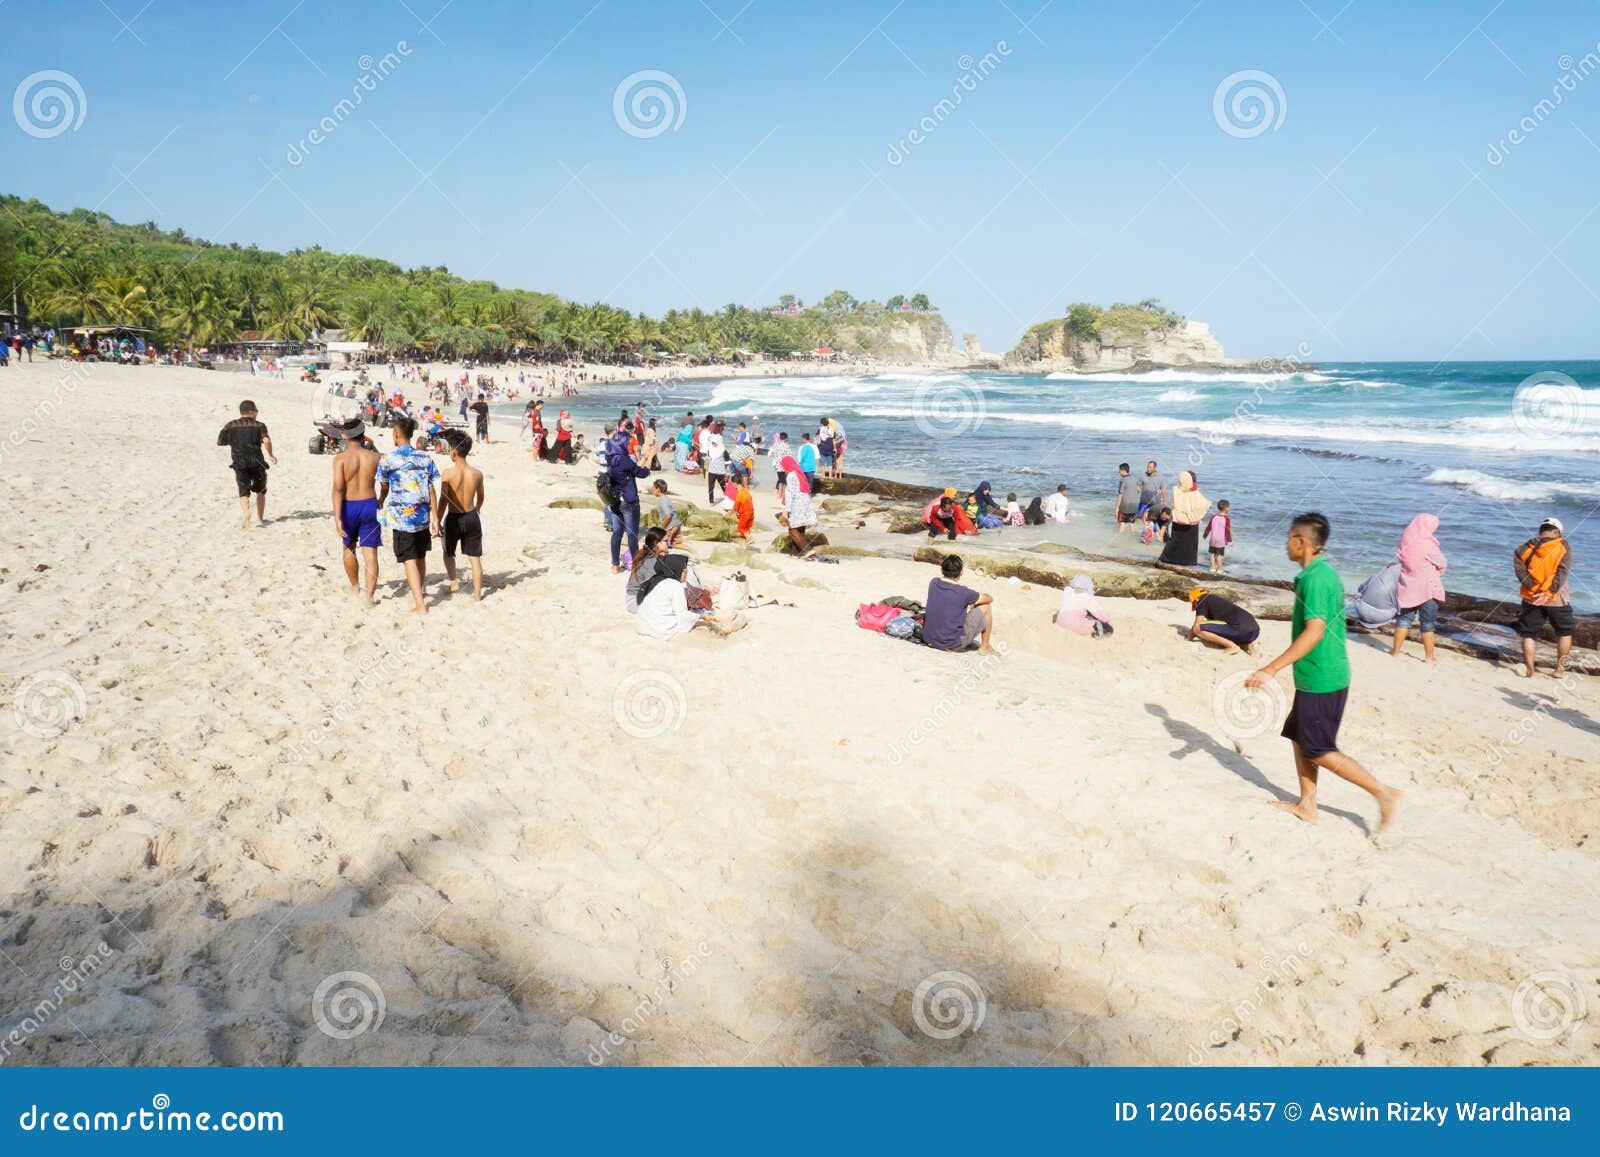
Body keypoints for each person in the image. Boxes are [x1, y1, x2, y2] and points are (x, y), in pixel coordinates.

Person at [1246, 513, 1401, 834]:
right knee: (1300, 738)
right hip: (1319, 674)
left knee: (1320, 749)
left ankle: (1384, 794)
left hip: (1322, 677)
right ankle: (1307, 805)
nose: (1285, 543)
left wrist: (1270, 668)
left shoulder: (1316, 579)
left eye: (1289, 537)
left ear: (1301, 543)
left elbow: (1314, 631)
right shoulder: (1323, 573)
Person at [376, 415, 442, 615]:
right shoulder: (425, 458)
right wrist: (435, 517)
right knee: (420, 555)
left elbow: (384, 485)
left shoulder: (388, 459)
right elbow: (431, 488)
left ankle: (420, 604)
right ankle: (420, 591)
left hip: (402, 517)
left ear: (396, 436)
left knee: (409, 558)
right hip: (422, 514)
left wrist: (381, 500)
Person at [1513, 517, 1574, 678]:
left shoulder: (1524, 548)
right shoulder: (1563, 546)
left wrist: (1534, 589)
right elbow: (1562, 573)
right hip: (1557, 597)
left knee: (1528, 634)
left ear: (1541, 531)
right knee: (1564, 632)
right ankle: (1560, 669)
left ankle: (1529, 668)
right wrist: (1548, 593)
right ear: (1556, 532)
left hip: (1531, 596)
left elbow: (1521, 573)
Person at [330, 418, 381, 606]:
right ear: (363, 434)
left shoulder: (340, 459)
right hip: (369, 504)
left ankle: (354, 586)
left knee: (349, 547)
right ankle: (369, 597)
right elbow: (385, 483)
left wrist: (337, 518)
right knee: (371, 553)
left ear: (344, 435)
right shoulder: (375, 457)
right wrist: (381, 500)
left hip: (349, 505)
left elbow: (337, 489)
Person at [1392, 513, 1446, 664]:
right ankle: (1429, 657)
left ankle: (1395, 652)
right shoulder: (1428, 545)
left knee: (1403, 621)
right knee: (1428, 624)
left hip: (1407, 588)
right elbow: (1442, 562)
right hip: (1428, 591)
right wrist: (1437, 572)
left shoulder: (1405, 542)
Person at [439, 430, 486, 600]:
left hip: (453, 518)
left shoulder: (448, 473)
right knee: (474, 558)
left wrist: (437, 519)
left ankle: (453, 583)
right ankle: (478, 594)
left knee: (448, 552)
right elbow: (481, 497)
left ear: (453, 451)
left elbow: (443, 500)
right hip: (472, 516)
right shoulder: (477, 473)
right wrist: (478, 507)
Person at [216, 400, 278, 530]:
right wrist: (271, 455)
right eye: (256, 411)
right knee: (261, 490)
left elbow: (220, 442)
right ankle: (260, 519)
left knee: (243, 489)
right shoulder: (259, 425)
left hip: (239, 462)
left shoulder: (230, 425)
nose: (257, 413)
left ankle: (246, 512)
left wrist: (235, 442)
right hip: (257, 462)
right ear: (251, 411)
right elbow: (266, 440)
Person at [923, 554, 995, 654]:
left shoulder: (934, 582)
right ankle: (985, 646)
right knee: (986, 607)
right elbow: (989, 599)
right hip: (951, 644)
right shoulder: (963, 592)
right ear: (961, 572)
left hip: (928, 639)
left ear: (941, 570)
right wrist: (976, 602)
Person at [606, 425, 651, 574]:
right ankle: (637, 566)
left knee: (617, 532)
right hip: (628, 501)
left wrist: (643, 459)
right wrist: (650, 456)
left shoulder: (610, 458)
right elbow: (642, 473)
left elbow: (633, 470)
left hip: (615, 501)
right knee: (632, 534)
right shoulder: (624, 459)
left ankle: (615, 565)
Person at [1185, 588, 1259, 654]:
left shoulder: (1202, 600)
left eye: (1194, 605)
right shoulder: (1216, 601)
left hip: (1241, 630)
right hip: (1254, 631)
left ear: (1196, 600)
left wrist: (1188, 638)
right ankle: (1249, 644)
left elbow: (1197, 625)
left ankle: (1232, 646)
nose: (1195, 608)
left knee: (1197, 628)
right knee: (1225, 629)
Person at [1159, 471, 1209, 566]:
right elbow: (1200, 506)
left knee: (1175, 540)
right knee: (1189, 543)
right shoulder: (1195, 491)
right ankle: (1188, 561)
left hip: (1179, 520)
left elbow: (1175, 504)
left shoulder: (1177, 490)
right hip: (1191, 522)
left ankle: (1168, 558)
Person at [778, 452, 818, 554]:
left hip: (797, 504)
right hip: (805, 502)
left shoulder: (791, 475)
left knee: (792, 530)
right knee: (800, 529)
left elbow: (790, 493)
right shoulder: (800, 473)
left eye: (783, 465)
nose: (783, 468)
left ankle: (809, 550)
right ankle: (795, 554)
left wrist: (786, 510)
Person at [1204, 500, 1233, 574]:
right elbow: (1227, 531)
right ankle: (1220, 569)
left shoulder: (1214, 517)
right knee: (1219, 555)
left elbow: (1208, 527)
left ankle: (1212, 568)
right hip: (1220, 540)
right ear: (1226, 508)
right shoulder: (1226, 519)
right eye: (1228, 507)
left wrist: (1205, 535)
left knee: (1212, 554)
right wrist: (1230, 540)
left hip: (1213, 539)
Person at [704, 421, 729, 505]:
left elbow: (727, 459)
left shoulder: (717, 446)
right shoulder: (716, 444)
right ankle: (713, 501)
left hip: (716, 469)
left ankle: (729, 498)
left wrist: (727, 472)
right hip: (716, 469)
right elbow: (708, 456)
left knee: (718, 486)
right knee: (716, 486)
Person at [651, 479, 681, 543]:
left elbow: (668, 516)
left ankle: (692, 550)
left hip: (672, 526)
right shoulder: (665, 497)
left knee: (660, 542)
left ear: (658, 489)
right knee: (673, 544)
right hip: (676, 523)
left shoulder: (663, 501)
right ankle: (692, 550)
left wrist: (662, 528)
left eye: (653, 489)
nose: (652, 490)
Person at [1115, 462, 1142, 533]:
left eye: (1120, 470)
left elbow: (1120, 494)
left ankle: (1118, 541)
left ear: (1123, 471)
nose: (1119, 472)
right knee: (1132, 524)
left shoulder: (1122, 480)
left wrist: (1117, 508)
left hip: (1125, 506)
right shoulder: (1135, 479)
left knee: (1122, 524)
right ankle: (1131, 541)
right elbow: (1139, 490)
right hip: (1134, 506)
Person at [769, 432, 791, 501]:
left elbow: (771, 453)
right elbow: (789, 457)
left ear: (780, 438)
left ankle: (779, 495)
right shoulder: (787, 446)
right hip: (785, 466)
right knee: (785, 482)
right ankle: (784, 496)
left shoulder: (776, 445)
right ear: (786, 438)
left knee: (781, 480)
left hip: (777, 466)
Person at [732, 475, 755, 541]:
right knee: (746, 529)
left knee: (740, 528)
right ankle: (745, 544)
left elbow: (736, 507)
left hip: (745, 514)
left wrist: (731, 513)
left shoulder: (739, 494)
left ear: (735, 484)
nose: (732, 486)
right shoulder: (746, 491)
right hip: (751, 513)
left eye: (732, 484)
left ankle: (750, 538)